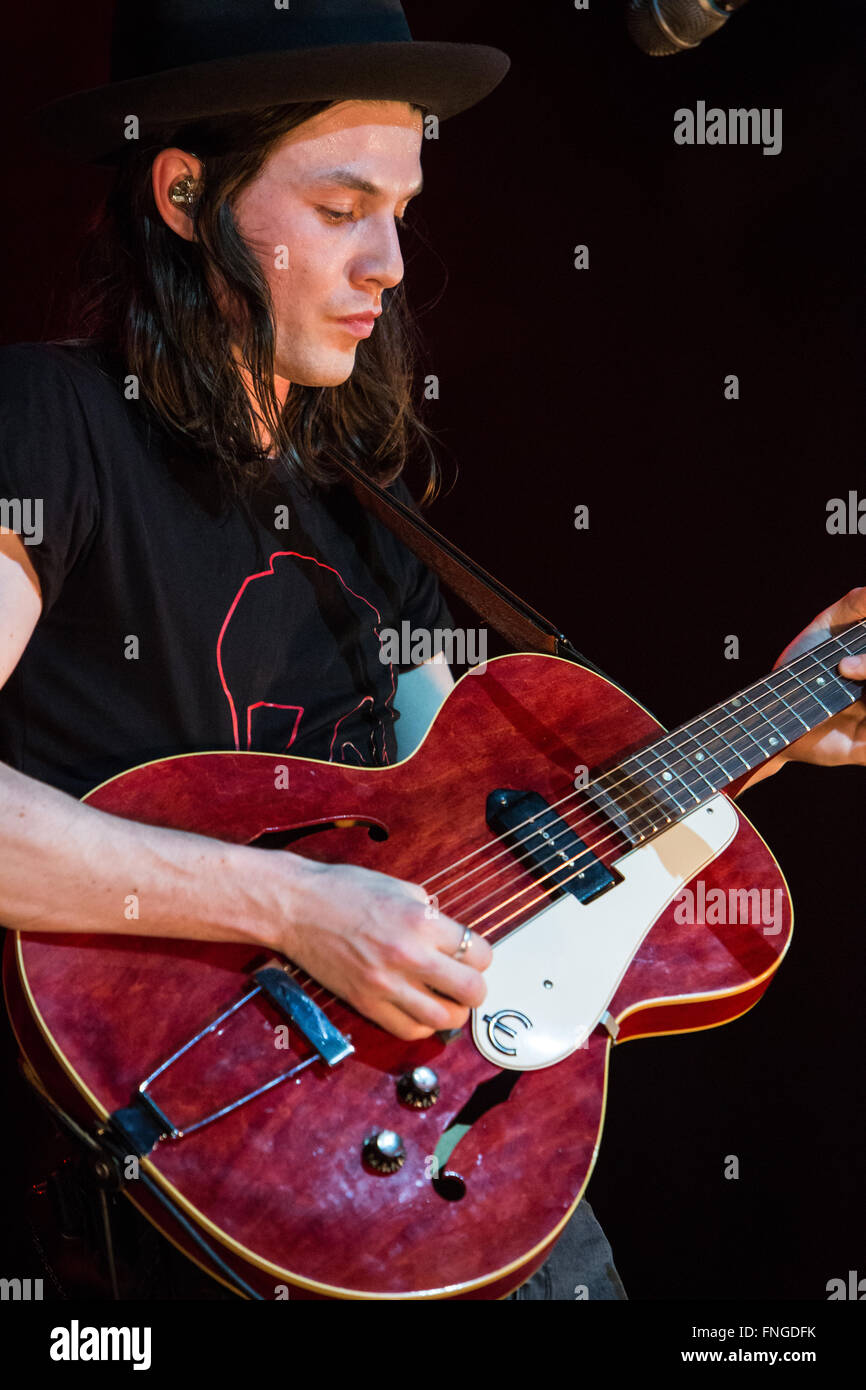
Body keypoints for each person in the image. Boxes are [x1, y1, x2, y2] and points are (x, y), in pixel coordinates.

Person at [1, 0, 864, 1303]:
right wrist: (299, 905)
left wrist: (790, 716)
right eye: (342, 206)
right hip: (151, 1148)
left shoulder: (365, 514)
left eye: (398, 208)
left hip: (381, 1160)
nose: (390, 261)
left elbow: (495, 852)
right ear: (185, 196)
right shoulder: (45, 417)